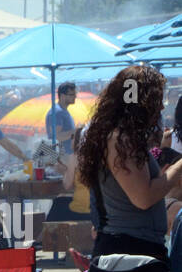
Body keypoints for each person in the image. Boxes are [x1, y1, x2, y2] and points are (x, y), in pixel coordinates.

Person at [75, 64, 182, 259]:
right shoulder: (120, 139)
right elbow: (144, 198)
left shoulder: (119, 137)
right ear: (141, 102)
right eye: (157, 99)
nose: (161, 106)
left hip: (131, 250)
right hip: (131, 254)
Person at [46, 82, 78, 156]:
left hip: (66, 156)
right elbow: (56, 136)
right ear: (62, 96)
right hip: (62, 158)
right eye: (72, 94)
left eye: (75, 94)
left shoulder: (62, 111)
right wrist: (76, 132)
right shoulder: (57, 112)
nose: (75, 96)